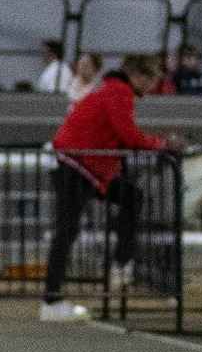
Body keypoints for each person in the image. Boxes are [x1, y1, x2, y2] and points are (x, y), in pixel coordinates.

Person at [41, 52, 185, 322]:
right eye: (152, 79)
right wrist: (161, 144)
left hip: (86, 168)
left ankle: (120, 261)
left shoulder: (113, 89)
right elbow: (127, 134)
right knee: (68, 229)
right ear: (138, 76)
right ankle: (52, 299)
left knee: (129, 198)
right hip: (77, 166)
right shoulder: (119, 92)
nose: (154, 86)